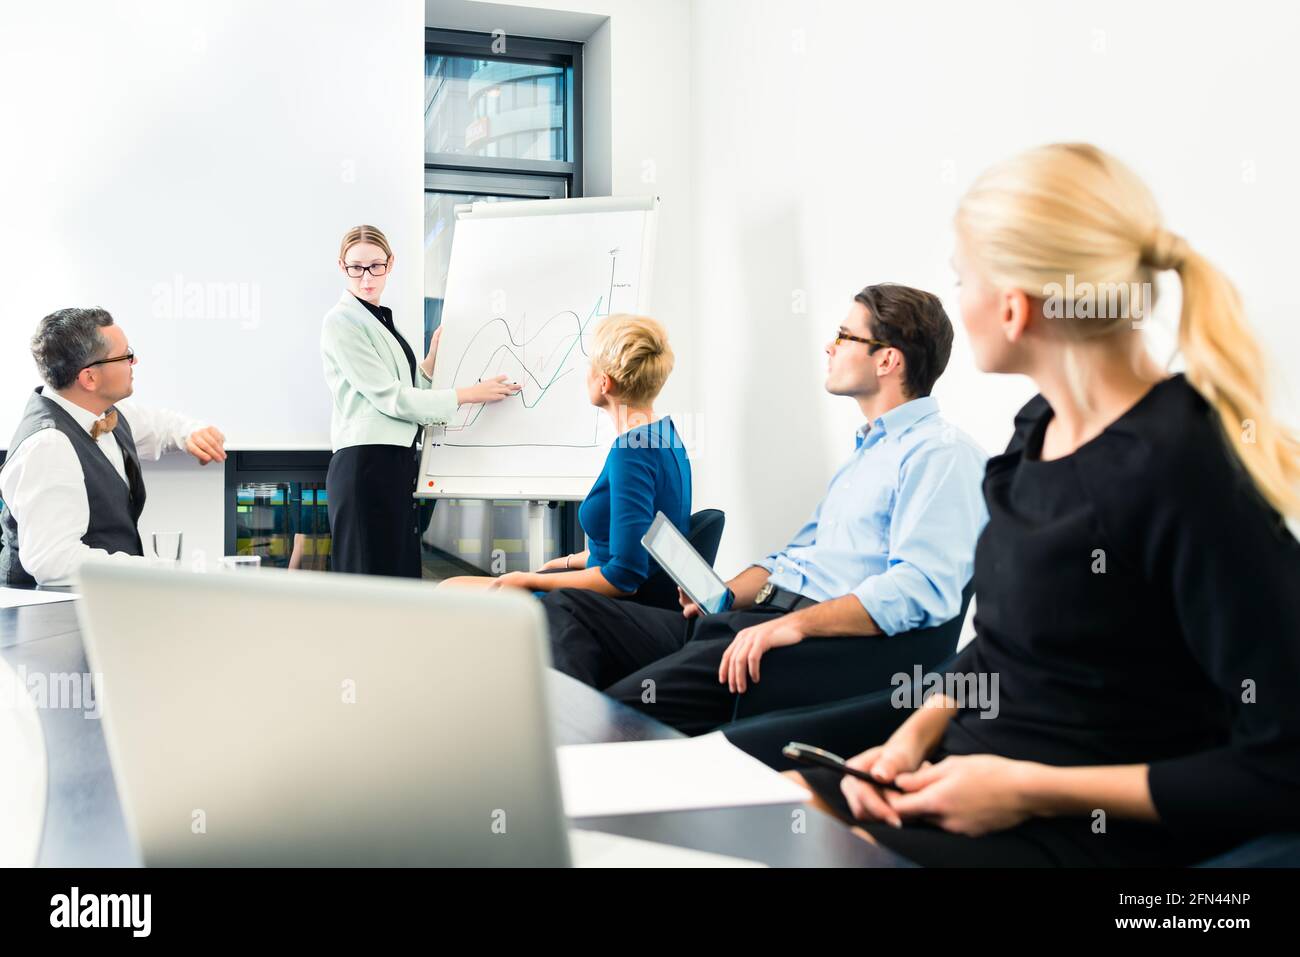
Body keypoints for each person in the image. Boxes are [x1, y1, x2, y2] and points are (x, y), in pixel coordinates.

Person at [776, 143, 1300, 867]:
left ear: (1014, 307)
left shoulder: (1186, 467)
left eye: (962, 280)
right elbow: (1005, 642)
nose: (956, 300)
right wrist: (915, 733)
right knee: (781, 806)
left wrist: (1029, 788)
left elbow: (1280, 766)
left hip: (1079, 837)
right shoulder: (1035, 430)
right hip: (962, 784)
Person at [544, 284, 988, 721]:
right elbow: (791, 559)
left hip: (796, 645)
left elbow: (918, 590)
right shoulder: (869, 451)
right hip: (744, 619)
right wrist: (721, 595)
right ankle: (566, 748)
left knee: (615, 715)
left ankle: (580, 755)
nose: (830, 347)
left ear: (888, 360)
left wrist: (791, 626)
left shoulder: (941, 454)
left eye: (845, 336)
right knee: (563, 609)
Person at [441, 314, 691, 602]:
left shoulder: (631, 453)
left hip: (606, 607)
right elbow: (629, 545)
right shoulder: (663, 435)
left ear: (604, 383)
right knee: (455, 586)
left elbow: (624, 576)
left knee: (449, 591)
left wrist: (528, 579)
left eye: (590, 367)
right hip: (621, 592)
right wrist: (569, 561)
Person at [320, 224, 519, 577]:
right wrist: (470, 395)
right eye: (356, 268)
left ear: (390, 264)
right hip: (364, 466)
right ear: (341, 267)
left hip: (393, 462)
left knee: (400, 576)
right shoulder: (341, 322)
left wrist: (429, 361)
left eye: (376, 266)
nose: (366, 277)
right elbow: (391, 398)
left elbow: (405, 388)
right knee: (370, 583)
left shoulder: (378, 319)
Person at [0, 307, 227, 586]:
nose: (135, 361)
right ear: (89, 378)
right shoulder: (48, 445)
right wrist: (158, 571)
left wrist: (191, 433)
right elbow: (54, 562)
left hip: (100, 606)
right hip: (51, 617)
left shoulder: (103, 413)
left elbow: (163, 424)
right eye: (125, 356)